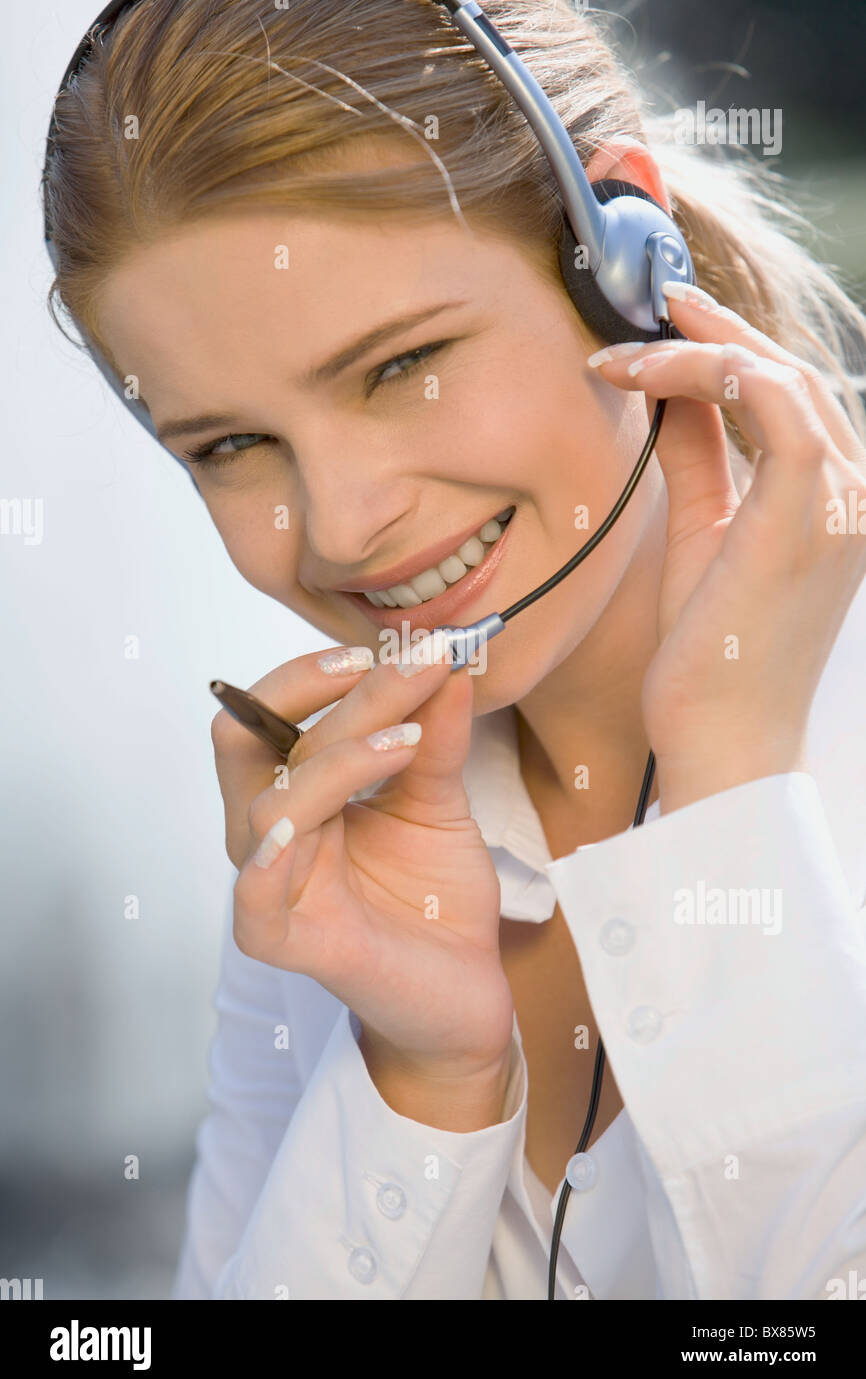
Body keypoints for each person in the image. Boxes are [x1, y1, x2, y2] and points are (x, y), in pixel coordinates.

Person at [42, 0, 866, 1299]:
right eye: (228, 446)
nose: (340, 526)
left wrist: (727, 803)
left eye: (399, 365)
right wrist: (417, 1085)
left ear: (625, 260)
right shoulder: (344, 865)